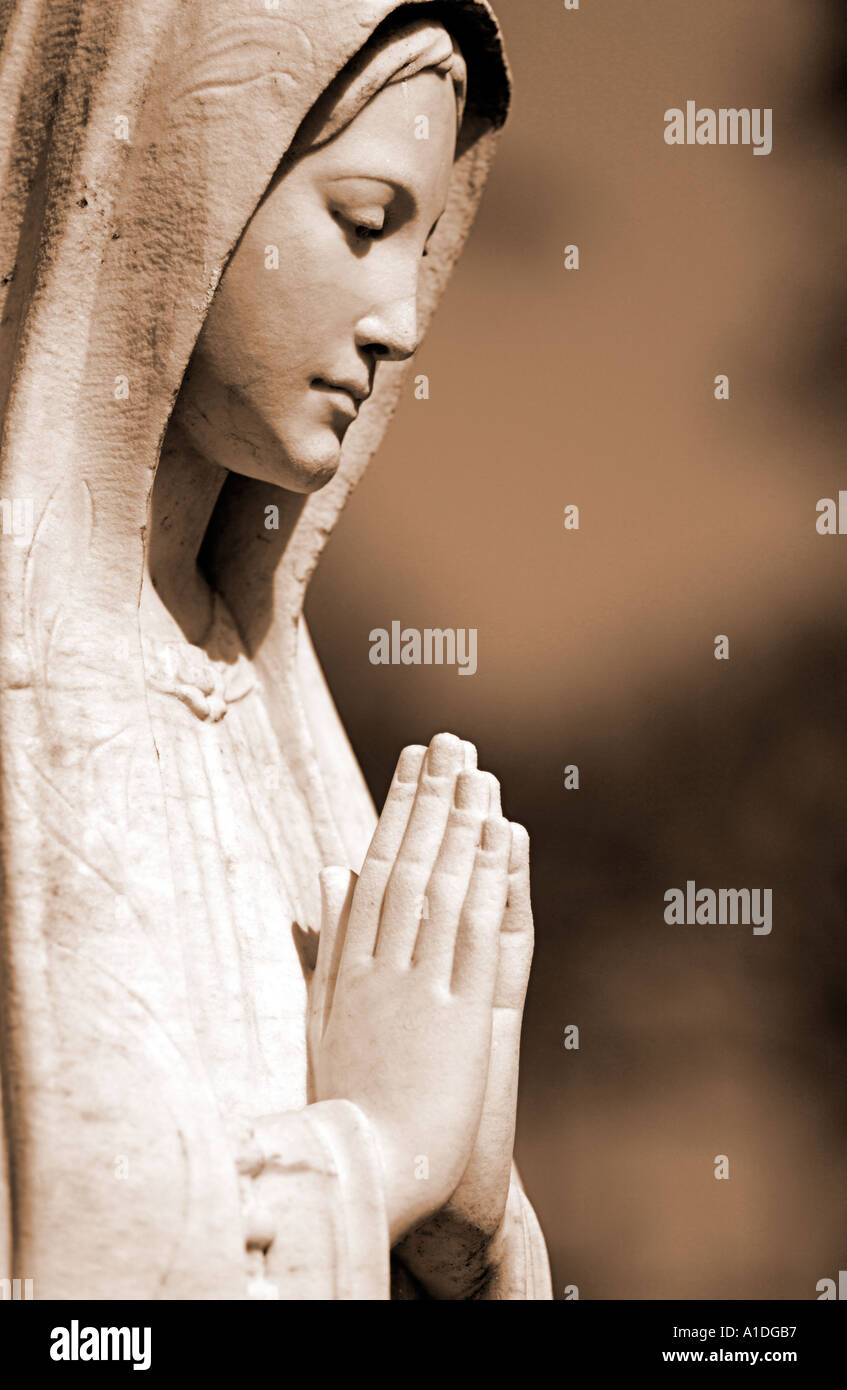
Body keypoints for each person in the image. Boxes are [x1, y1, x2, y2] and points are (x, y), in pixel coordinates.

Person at [0, 0, 550, 1298]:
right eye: (364, 225)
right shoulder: (25, 681)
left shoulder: (272, 706)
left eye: (422, 248)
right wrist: (380, 1148)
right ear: (179, 173)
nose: (402, 320)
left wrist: (473, 1217)